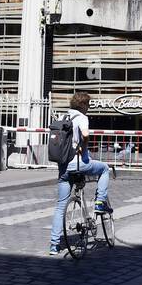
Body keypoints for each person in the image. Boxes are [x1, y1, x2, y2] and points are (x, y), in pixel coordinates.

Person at [48, 92, 113, 256]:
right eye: (88, 105)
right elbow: (85, 135)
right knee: (104, 169)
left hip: (63, 166)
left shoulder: (64, 116)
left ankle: (54, 245)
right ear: (84, 105)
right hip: (78, 163)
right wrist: (84, 149)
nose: (89, 108)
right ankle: (100, 202)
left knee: (60, 205)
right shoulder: (82, 117)